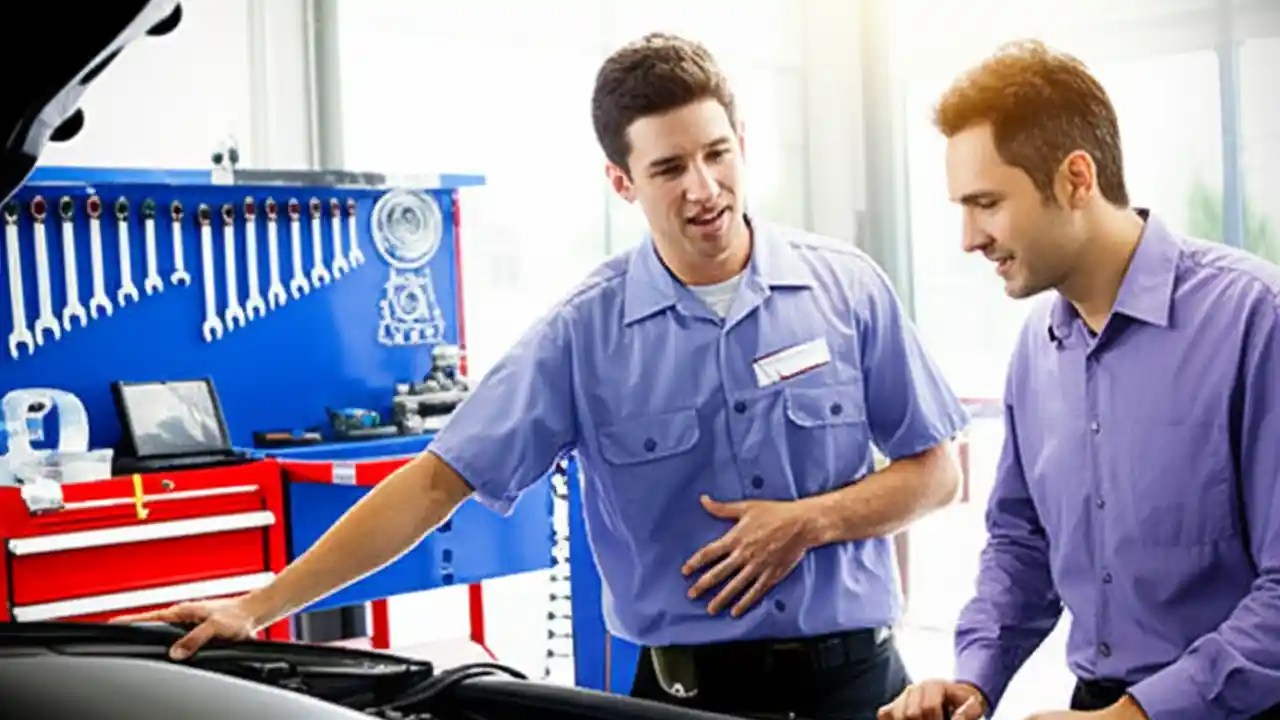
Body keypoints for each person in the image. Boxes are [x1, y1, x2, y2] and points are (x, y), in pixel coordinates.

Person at [117, 32, 970, 718]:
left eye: (718, 154)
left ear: (742, 143)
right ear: (622, 181)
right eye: (669, 169)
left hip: (865, 691)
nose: (705, 189)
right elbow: (430, 485)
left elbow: (938, 474)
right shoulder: (581, 335)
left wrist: (811, 522)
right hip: (689, 701)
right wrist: (259, 608)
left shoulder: (846, 286)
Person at [876, 39, 1280, 720]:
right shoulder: (1037, 351)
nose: (969, 238)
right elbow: (1021, 545)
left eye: (986, 203)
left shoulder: (1254, 319)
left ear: (1075, 179)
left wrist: (1137, 716)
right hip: (1095, 703)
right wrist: (973, 682)